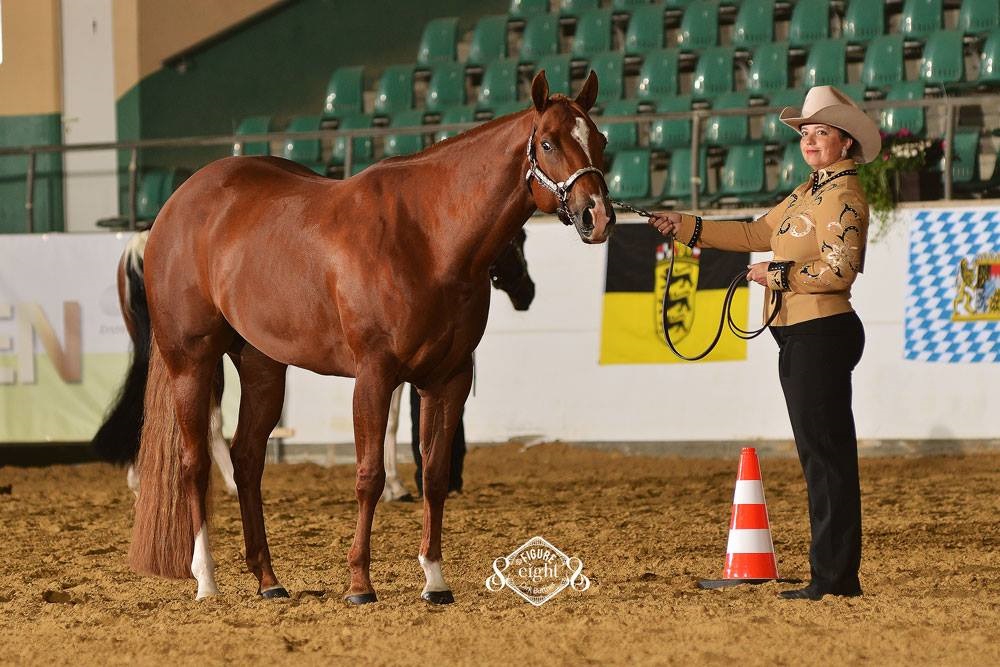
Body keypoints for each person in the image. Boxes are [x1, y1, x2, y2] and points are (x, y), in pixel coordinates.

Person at [649, 86, 881, 600]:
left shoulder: (843, 196)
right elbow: (756, 233)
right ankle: (833, 572)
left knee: (825, 457)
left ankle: (835, 577)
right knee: (819, 455)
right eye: (806, 133)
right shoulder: (807, 193)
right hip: (801, 334)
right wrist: (687, 227)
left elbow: (839, 271)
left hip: (820, 330)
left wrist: (777, 273)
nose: (811, 141)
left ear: (845, 143)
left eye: (822, 133)